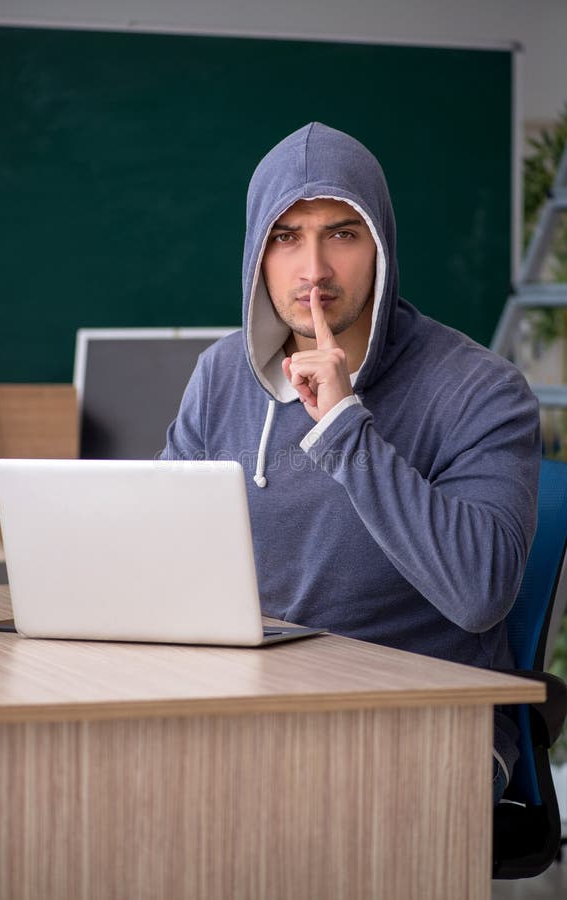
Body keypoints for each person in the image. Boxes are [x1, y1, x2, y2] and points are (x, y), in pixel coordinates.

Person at [162, 122, 541, 803]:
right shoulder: (219, 375)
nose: (313, 271)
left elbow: (479, 592)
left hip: (424, 722)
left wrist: (344, 426)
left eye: (342, 233)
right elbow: (158, 551)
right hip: (255, 705)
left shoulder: (481, 388)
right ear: (256, 254)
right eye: (286, 238)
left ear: (381, 244)